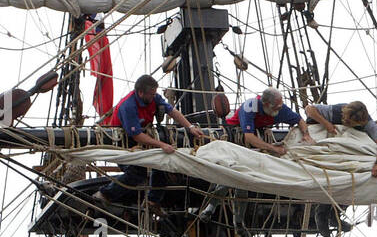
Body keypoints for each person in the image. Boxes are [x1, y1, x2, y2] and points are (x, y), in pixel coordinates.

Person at [92, 74, 206, 209]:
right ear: (140, 93)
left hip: (145, 139)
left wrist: (190, 127)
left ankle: (152, 202)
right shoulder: (128, 106)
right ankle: (104, 194)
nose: (154, 96)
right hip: (123, 144)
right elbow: (137, 136)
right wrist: (162, 145)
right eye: (151, 94)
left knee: (161, 165)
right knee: (136, 172)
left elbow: (172, 111)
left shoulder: (153, 98)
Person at [307, 101, 377, 177]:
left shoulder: (368, 124)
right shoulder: (336, 110)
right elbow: (309, 109)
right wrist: (326, 123)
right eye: (344, 118)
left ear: (360, 123)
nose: (345, 121)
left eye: (349, 122)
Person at [225, 87, 311, 157]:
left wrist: (306, 135)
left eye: (280, 105)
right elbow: (249, 137)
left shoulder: (281, 109)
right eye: (276, 107)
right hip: (234, 133)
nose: (279, 109)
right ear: (266, 104)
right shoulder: (250, 106)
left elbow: (299, 120)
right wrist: (274, 148)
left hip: (259, 133)